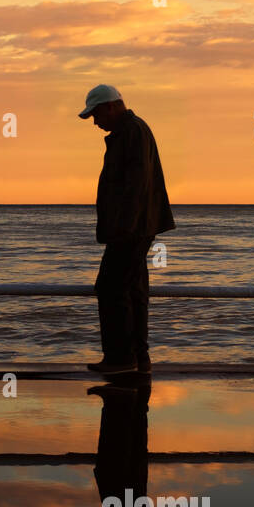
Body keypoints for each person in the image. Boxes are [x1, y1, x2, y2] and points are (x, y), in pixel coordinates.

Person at [79, 84, 175, 376]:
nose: (96, 122)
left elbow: (135, 185)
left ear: (111, 107)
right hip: (137, 226)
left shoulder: (131, 132)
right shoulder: (132, 130)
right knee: (133, 290)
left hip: (130, 229)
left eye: (96, 115)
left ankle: (121, 359)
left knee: (110, 287)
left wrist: (124, 226)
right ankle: (138, 358)